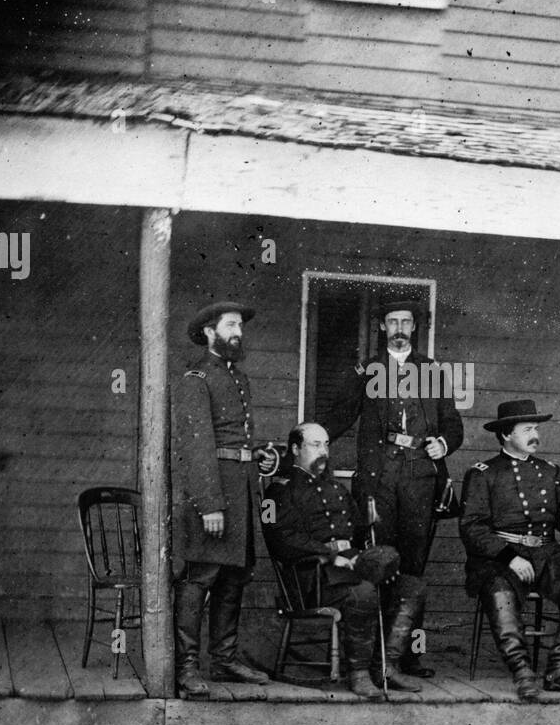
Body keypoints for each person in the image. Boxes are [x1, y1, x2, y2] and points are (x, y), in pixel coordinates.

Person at [322, 298, 465, 677]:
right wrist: (308, 442)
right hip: (378, 480)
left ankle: (406, 655)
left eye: (406, 321)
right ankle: (372, 656)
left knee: (414, 565)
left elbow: (452, 423)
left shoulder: (432, 372)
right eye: (392, 322)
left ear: (414, 327)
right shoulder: (366, 370)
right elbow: (338, 416)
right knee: (379, 560)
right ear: (383, 327)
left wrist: (443, 444)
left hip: (419, 479)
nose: (400, 328)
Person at [263, 422, 427, 700]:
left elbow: (357, 531)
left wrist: (368, 521)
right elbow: (281, 540)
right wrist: (330, 555)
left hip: (349, 566)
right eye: (315, 445)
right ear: (295, 449)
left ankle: (386, 666)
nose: (323, 451)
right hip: (312, 577)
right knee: (362, 592)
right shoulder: (281, 491)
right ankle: (359, 672)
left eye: (326, 444)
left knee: (411, 587)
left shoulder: (337, 488)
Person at [170, 301, 278, 699]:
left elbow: (236, 441)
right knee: (200, 579)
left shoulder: (239, 379)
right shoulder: (196, 379)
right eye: (231, 325)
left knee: (233, 579)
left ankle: (225, 659)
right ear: (210, 333)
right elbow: (197, 448)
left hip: (241, 493)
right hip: (212, 497)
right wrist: (209, 503)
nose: (239, 332)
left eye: (240, 326)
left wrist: (261, 457)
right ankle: (186, 668)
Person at [460, 400, 560, 699]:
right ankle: (522, 671)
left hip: (546, 554)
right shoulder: (483, 473)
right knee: (499, 590)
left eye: (536, 428)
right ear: (506, 435)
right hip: (499, 557)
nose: (535, 434)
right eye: (527, 429)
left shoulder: (551, 471)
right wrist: (509, 557)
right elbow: (472, 527)